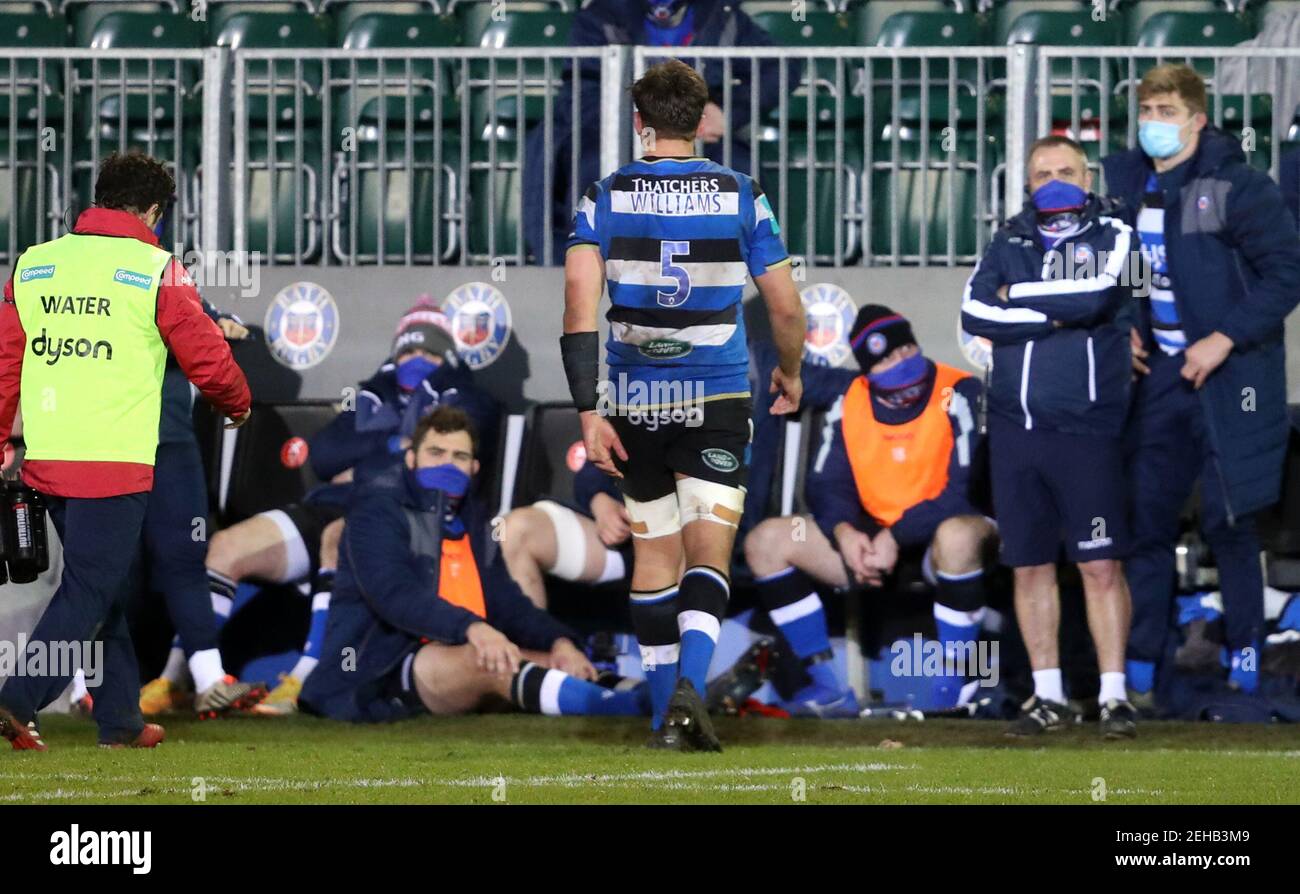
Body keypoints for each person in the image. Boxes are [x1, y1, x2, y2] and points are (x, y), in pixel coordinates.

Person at [562, 59, 806, 751]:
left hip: (636, 395)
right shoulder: (742, 194)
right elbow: (785, 306)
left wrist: (589, 410)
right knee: (709, 552)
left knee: (653, 557)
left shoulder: (604, 194)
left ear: (639, 122)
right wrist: (790, 372)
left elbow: (579, 307)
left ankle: (661, 715)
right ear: (701, 123)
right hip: (718, 391)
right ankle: (690, 693)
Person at [140, 298, 501, 717]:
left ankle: (305, 678)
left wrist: (367, 460)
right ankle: (181, 677)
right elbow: (326, 456)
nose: (417, 360)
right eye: (409, 350)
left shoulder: (467, 399)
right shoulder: (370, 393)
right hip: (328, 503)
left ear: (447, 356)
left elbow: (433, 462)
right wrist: (392, 443)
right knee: (225, 546)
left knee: (339, 538)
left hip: (393, 516)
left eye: (429, 352)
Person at [0, 152, 251, 750]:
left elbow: (6, 362)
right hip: (113, 464)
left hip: (47, 461)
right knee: (89, 590)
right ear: (154, 211)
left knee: (100, 590)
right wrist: (236, 402)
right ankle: (18, 697)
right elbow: (206, 355)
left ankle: (121, 719)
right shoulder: (155, 269)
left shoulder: (36, 266)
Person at [1101, 64, 1300, 701]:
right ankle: (1140, 671)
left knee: (1231, 522)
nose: (1154, 123)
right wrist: (1128, 325)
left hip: (1231, 379)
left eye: (1166, 111)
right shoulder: (1127, 186)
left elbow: (1286, 274)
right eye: (1148, 111)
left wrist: (1224, 337)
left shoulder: (1236, 187)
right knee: (1147, 523)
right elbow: (1130, 268)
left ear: (1197, 118)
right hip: (1159, 374)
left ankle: (1246, 661)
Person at [300, 406, 648, 722]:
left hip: (456, 649)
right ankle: (621, 709)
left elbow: (508, 603)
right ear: (411, 459)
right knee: (490, 664)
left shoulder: (474, 524)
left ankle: (653, 698)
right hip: (382, 667)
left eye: (459, 456)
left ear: (474, 467)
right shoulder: (378, 512)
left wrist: (560, 642)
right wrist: (473, 628)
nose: (447, 465)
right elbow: (395, 595)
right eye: (435, 453)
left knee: (559, 664)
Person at [960, 134, 1138, 739]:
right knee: (1029, 566)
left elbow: (1095, 297)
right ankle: (1047, 695)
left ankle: (1114, 696)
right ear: (1028, 182)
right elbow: (974, 313)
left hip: (1086, 428)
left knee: (1100, 564)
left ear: (1086, 179)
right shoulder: (1007, 237)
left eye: (1066, 170)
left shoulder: (1114, 232)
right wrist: (1053, 309)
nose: (1054, 180)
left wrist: (1019, 298)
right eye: (1042, 173)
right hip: (1014, 430)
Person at [744, 305, 994, 716]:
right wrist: (844, 532)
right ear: (867, 370)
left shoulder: (958, 390)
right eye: (884, 361)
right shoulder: (851, 397)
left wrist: (896, 537)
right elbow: (825, 485)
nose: (899, 364)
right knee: (766, 542)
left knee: (959, 534)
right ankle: (827, 689)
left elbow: (964, 491)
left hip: (938, 539)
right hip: (872, 541)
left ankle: (954, 687)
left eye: (904, 350)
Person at [523, 0, 787, 264]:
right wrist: (648, 117)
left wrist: (728, 113)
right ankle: (593, 273)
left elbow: (779, 68)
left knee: (738, 169)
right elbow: (581, 95)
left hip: (695, 138)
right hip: (615, 137)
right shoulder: (600, 15)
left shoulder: (720, 15)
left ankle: (735, 273)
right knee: (589, 169)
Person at [501, 460, 636, 611]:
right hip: (626, 539)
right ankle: (540, 633)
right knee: (511, 531)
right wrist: (599, 499)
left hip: (660, 538)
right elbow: (593, 466)